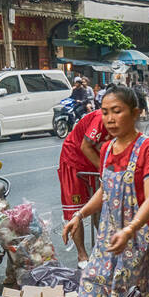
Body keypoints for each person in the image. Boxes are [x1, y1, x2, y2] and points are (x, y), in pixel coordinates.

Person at [65, 87, 149, 297]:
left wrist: (130, 229)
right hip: (110, 246)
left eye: (117, 111)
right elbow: (105, 190)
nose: (110, 119)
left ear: (135, 113)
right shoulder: (105, 150)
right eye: (104, 113)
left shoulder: (148, 149)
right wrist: (79, 215)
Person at [58, 106, 110, 264]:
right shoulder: (101, 118)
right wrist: (104, 172)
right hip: (74, 161)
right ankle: (82, 254)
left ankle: (105, 248)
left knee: (99, 206)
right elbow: (85, 146)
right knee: (75, 210)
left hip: (94, 163)